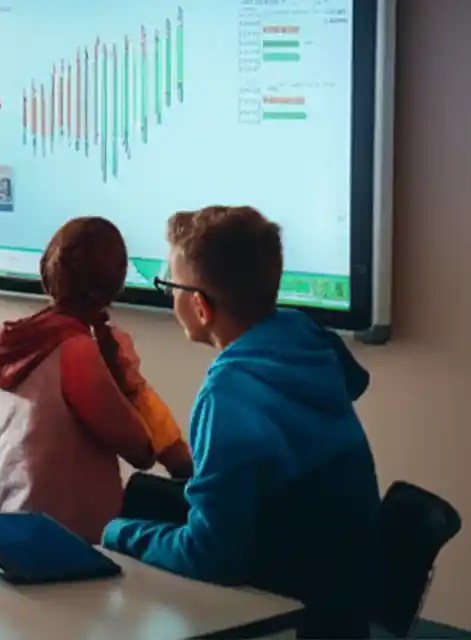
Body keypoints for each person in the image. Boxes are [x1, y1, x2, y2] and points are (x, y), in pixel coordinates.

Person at [101, 206, 381, 637]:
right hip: (342, 601)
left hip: (282, 612)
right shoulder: (305, 339)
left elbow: (211, 557)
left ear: (199, 306)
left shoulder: (229, 393)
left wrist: (117, 532)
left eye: (170, 286)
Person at [0, 217, 192, 543]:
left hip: (11, 521)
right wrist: (128, 381)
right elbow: (141, 451)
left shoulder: (13, 338)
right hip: (67, 540)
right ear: (116, 282)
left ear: (46, 273)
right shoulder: (78, 350)